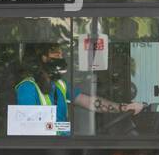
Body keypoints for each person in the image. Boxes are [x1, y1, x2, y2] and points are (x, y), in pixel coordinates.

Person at [15, 44, 145, 132]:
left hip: (61, 147)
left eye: (61, 54)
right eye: (56, 54)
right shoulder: (28, 88)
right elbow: (28, 128)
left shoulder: (60, 85)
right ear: (43, 58)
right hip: (44, 152)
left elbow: (89, 102)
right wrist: (61, 127)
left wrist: (123, 108)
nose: (61, 58)